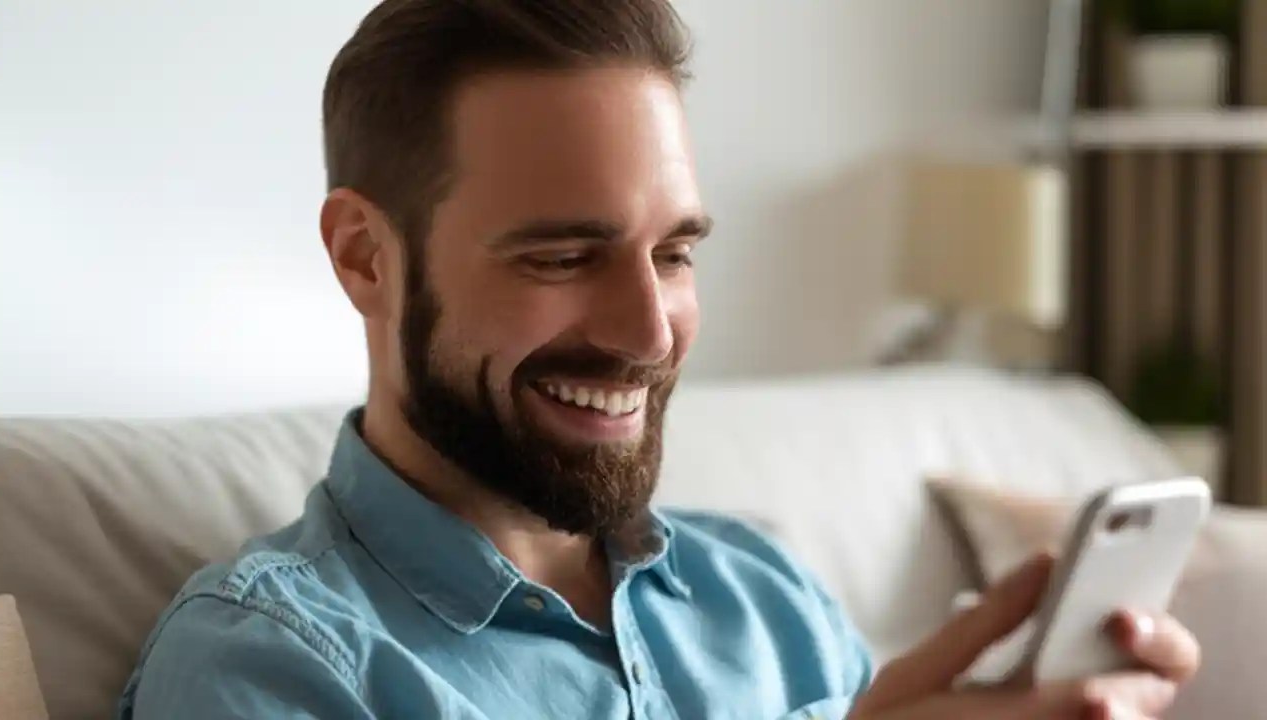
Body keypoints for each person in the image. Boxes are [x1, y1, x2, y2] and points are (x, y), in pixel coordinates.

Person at [118, 1, 1200, 718]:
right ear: (366, 258)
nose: (648, 333)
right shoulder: (267, 665)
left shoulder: (763, 594)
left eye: (674, 252)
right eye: (562, 253)